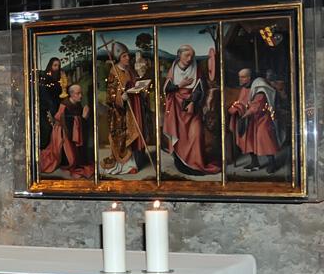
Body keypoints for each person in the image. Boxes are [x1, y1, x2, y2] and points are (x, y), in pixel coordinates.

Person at [162, 44, 220, 175]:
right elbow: (167, 89)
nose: (189, 58)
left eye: (192, 56)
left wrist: (193, 102)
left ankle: (196, 164)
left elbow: (200, 88)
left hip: (192, 108)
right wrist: (180, 85)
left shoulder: (196, 68)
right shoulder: (174, 69)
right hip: (177, 109)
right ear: (179, 55)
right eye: (187, 55)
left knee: (196, 134)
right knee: (179, 135)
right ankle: (181, 164)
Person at [101, 47, 149, 176]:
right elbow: (110, 94)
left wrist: (140, 87)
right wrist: (120, 98)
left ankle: (131, 164)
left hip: (131, 108)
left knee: (131, 135)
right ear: (118, 58)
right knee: (121, 138)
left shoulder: (129, 70)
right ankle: (121, 166)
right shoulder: (114, 71)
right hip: (119, 112)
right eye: (124, 56)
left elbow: (133, 84)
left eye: (128, 55)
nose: (128, 58)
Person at [227, 68, 281, 172]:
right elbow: (241, 102)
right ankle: (254, 162)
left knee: (264, 138)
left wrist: (245, 115)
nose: (240, 79)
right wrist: (235, 109)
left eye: (243, 77)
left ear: (249, 77)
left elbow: (257, 106)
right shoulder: (244, 89)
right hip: (250, 119)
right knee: (247, 139)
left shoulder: (259, 87)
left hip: (262, 118)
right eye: (239, 77)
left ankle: (272, 163)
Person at [38, 83, 93, 178]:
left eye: (81, 93)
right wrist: (82, 118)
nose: (81, 96)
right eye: (78, 93)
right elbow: (66, 123)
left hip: (71, 133)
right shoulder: (64, 105)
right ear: (71, 94)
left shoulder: (78, 104)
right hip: (63, 134)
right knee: (70, 160)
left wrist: (83, 118)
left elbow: (77, 121)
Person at [38, 57, 69, 149]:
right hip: (47, 109)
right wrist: (51, 110)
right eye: (55, 65)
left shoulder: (60, 78)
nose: (57, 68)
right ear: (50, 66)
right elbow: (45, 96)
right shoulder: (45, 79)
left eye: (58, 65)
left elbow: (63, 92)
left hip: (58, 108)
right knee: (48, 130)